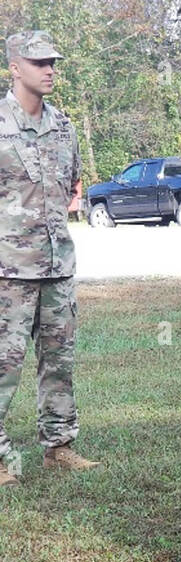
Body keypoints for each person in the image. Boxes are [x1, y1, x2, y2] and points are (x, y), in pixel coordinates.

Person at [0, 30, 98, 487]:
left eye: (52, 61)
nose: (49, 69)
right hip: (9, 269)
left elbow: (72, 187)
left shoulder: (65, 128)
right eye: (38, 62)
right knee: (6, 363)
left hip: (58, 266)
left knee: (59, 360)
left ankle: (58, 446)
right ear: (14, 67)